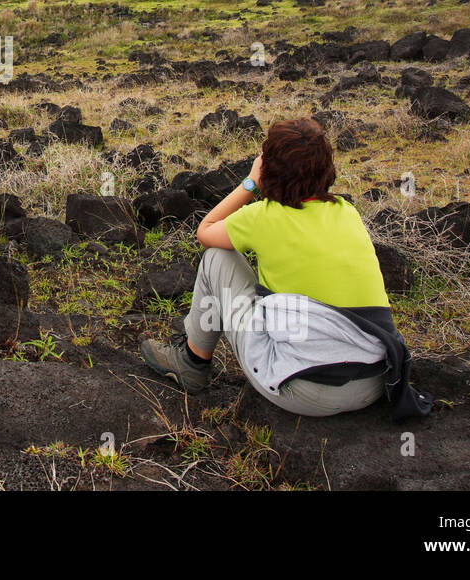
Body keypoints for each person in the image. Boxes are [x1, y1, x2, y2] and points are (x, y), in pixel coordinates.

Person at [140, 117, 432, 419]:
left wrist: (251, 183)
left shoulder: (262, 217)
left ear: (269, 170)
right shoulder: (348, 213)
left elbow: (206, 231)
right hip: (375, 381)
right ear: (327, 170)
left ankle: (192, 363)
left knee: (217, 257)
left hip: (306, 391)